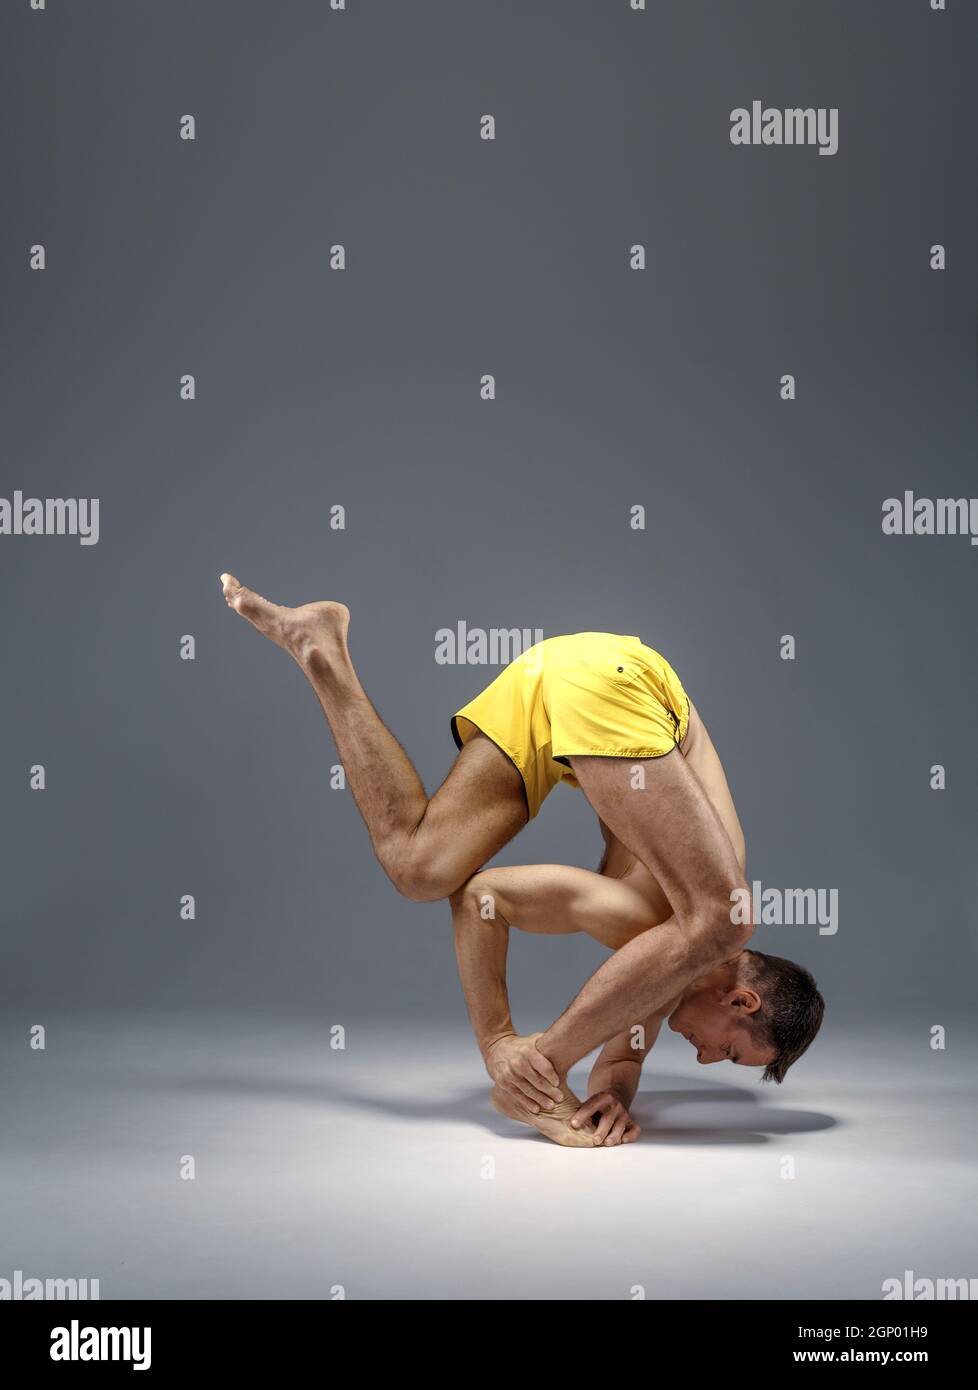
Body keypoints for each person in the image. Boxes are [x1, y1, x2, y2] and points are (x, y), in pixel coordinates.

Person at [218, 574, 821, 1136]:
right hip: (615, 683)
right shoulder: (674, 917)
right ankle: (536, 1073)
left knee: (418, 868)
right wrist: (540, 1067)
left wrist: (540, 1066)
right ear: (742, 1000)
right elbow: (691, 944)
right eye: (731, 1051)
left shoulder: (659, 964)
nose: (706, 1059)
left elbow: (487, 898)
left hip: (552, 689)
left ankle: (321, 648)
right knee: (729, 915)